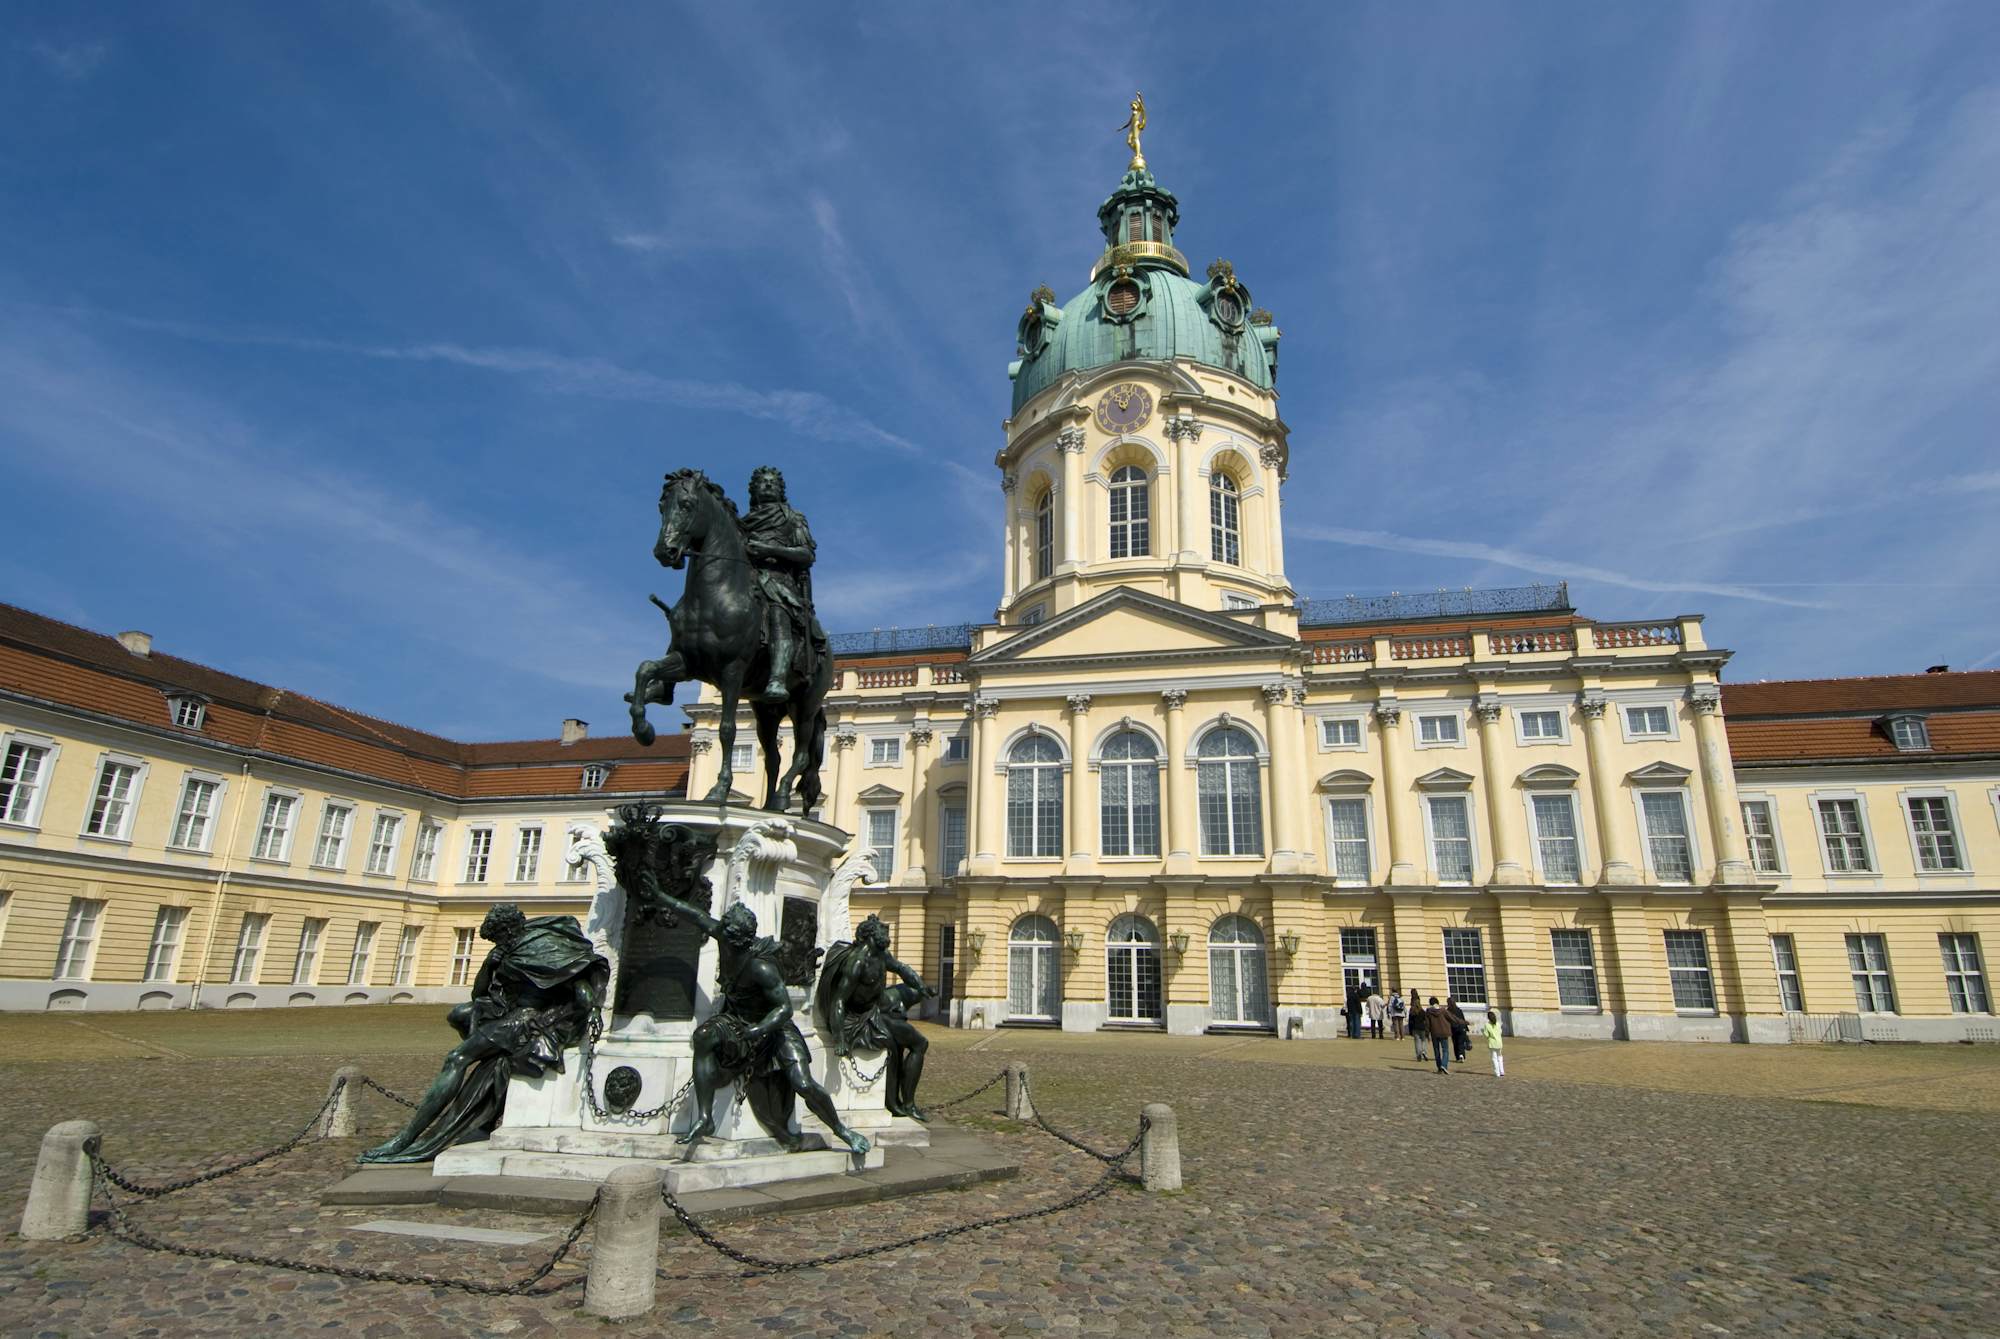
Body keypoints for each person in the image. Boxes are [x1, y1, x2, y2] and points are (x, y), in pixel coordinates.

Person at [637, 877, 870, 1155]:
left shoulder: (761, 968)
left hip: (775, 1028)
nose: (719, 930)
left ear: (739, 939)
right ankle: (705, 1117)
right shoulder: (725, 937)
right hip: (737, 1020)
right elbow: (696, 916)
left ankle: (842, 1131)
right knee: (702, 1037)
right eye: (721, 926)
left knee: (803, 1083)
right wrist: (660, 895)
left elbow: (783, 1008)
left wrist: (758, 1030)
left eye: (726, 929)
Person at [361, 904, 608, 1164]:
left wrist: (591, 1011)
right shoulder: (506, 950)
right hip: (506, 1013)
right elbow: (479, 994)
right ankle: (468, 1116)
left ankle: (407, 1137)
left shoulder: (544, 947)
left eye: (497, 938)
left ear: (507, 930)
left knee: (457, 1058)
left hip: (525, 1019)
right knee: (459, 1015)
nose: (497, 943)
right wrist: (490, 965)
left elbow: (580, 985)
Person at [816, 913, 936, 1119]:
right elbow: (838, 1001)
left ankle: (904, 1103)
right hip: (859, 1018)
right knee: (912, 1044)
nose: (886, 932)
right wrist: (840, 1038)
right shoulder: (857, 962)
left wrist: (920, 986)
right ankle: (901, 1103)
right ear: (871, 934)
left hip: (875, 1011)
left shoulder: (880, 955)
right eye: (882, 929)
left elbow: (901, 969)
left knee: (914, 1043)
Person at [740, 465, 827, 701]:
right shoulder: (742, 522)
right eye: (762, 482)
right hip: (747, 581)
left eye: (773, 483)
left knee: (779, 613)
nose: (767, 485)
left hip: (779, 582)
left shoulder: (792, 517)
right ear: (753, 490)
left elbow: (807, 554)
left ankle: (777, 678)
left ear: (781, 490)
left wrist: (770, 549)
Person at [1425, 996, 1453, 1074]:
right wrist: (1464, 1022)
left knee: (1436, 1051)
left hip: (1434, 1033)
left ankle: (1439, 1067)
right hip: (1444, 1032)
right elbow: (1452, 1018)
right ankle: (1444, 1065)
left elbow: (1427, 1024)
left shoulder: (1428, 1011)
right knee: (1445, 1050)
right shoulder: (1443, 1010)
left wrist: (1427, 1034)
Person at [1446, 994, 1470, 1063]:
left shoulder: (1448, 1011)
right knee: (1461, 1042)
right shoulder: (1459, 1010)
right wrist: (1466, 1028)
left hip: (1453, 1029)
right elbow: (1462, 1019)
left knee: (1455, 1043)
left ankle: (1458, 1056)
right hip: (1461, 1028)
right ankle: (1461, 1055)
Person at [1483, 1009, 1505, 1078]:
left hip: (1492, 1043)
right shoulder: (1498, 1024)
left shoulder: (1487, 1025)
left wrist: (1483, 1032)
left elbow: (1486, 1035)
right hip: (1499, 1042)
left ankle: (1497, 1072)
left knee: (1494, 1058)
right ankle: (1502, 1071)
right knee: (1500, 1057)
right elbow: (1500, 1032)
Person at [1408, 988, 1428, 1062]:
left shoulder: (1412, 1012)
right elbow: (1426, 1020)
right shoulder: (1422, 1011)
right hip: (1422, 1028)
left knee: (1417, 1042)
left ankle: (1418, 1054)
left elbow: (1410, 1022)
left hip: (1415, 1028)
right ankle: (1424, 1051)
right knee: (1423, 1041)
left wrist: (1410, 1030)